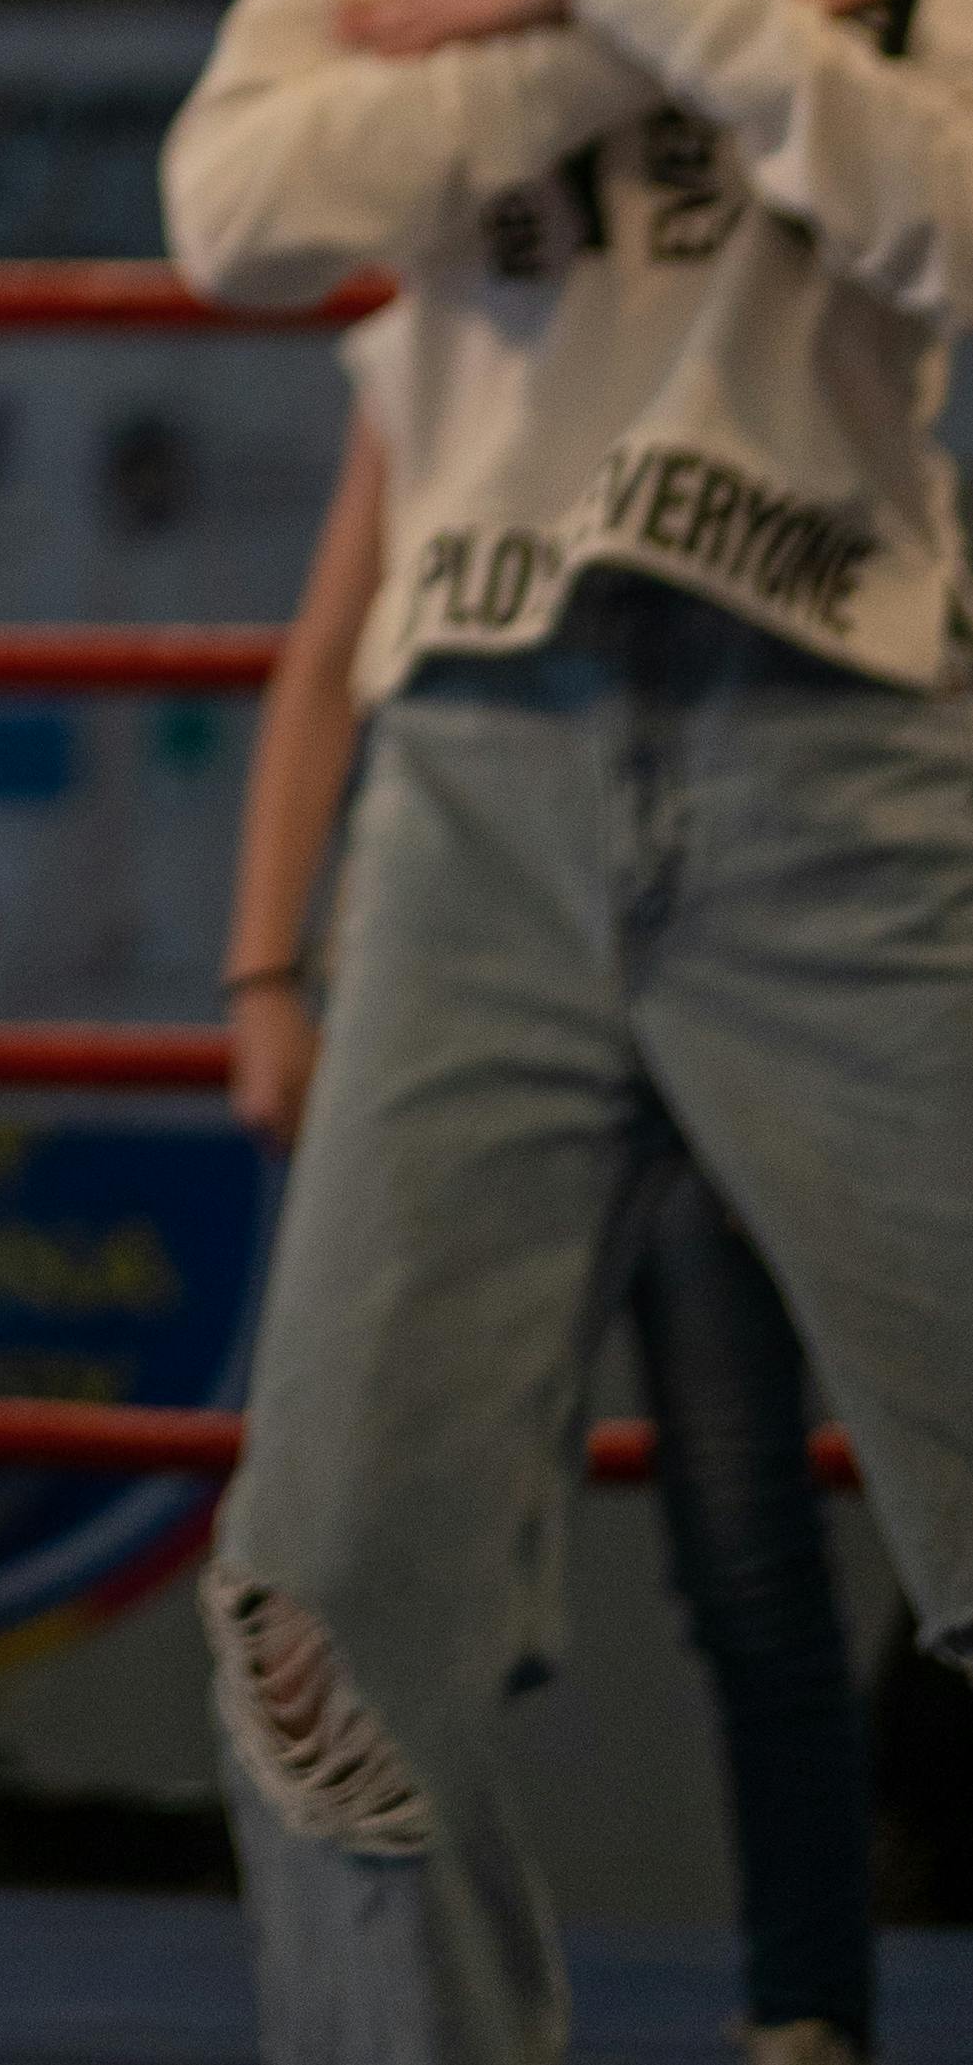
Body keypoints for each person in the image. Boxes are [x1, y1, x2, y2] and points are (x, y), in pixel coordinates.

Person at [164, 0, 973, 2065]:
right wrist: (673, 16)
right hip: (472, 783)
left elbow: (953, 227)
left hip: (851, 772)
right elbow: (236, 210)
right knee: (320, 1602)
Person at [226, 397, 877, 2065]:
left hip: (721, 988)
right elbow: (325, 655)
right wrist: (264, 973)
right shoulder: (464, 357)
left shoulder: (781, 346)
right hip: (477, 1025)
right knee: (379, 1564)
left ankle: (806, 1999)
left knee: (747, 1546)